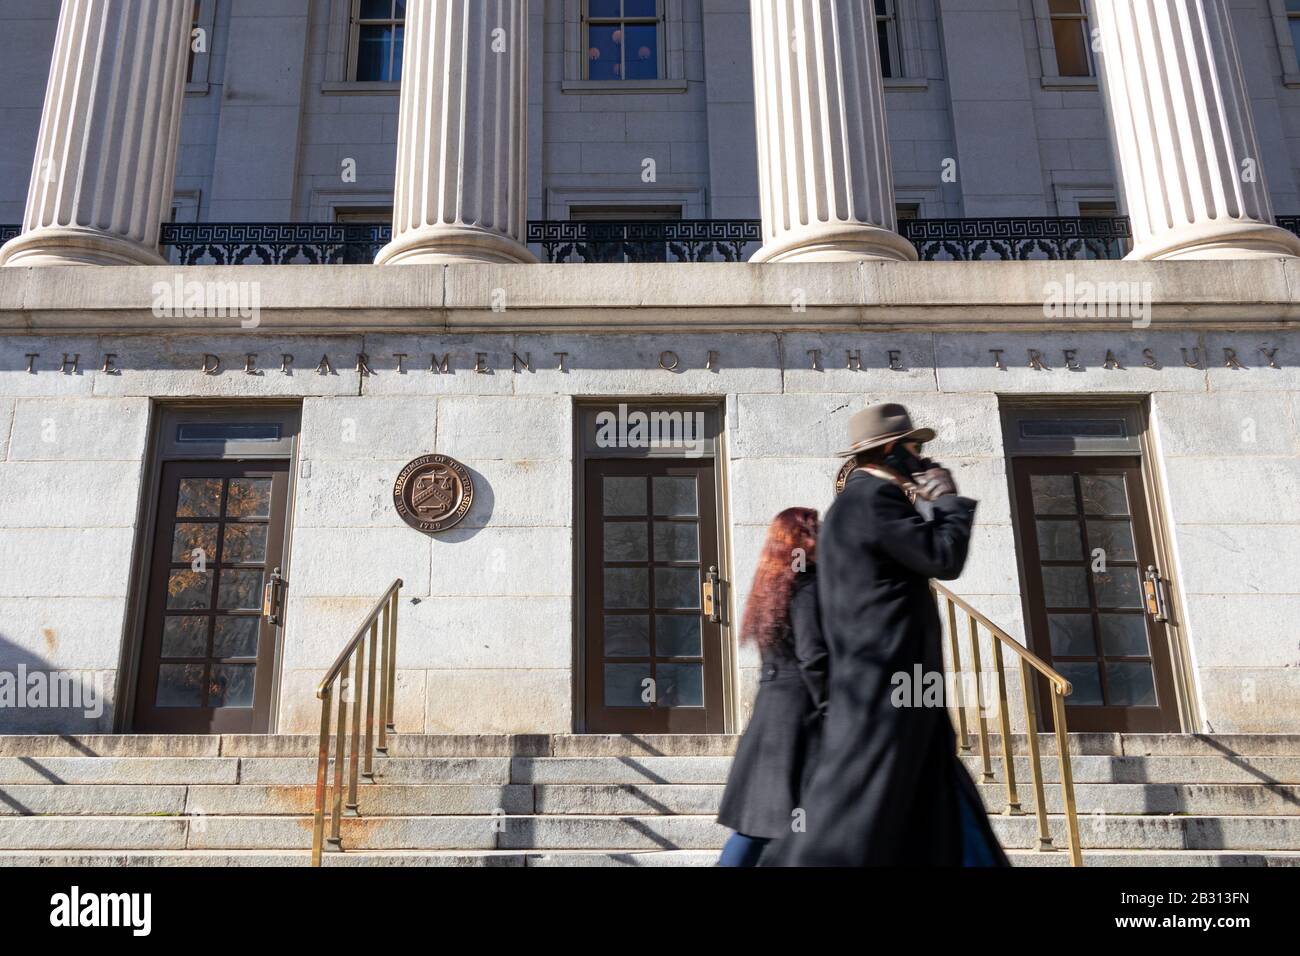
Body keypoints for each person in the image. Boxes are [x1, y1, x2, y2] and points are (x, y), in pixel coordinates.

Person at [764, 403, 1008, 867]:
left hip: (892, 689)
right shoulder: (876, 500)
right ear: (894, 449)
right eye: (917, 447)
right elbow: (942, 559)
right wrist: (948, 503)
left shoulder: (846, 508)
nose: (923, 458)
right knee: (855, 820)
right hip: (890, 687)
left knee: (932, 803)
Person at [716, 507, 828, 867]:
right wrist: (833, 707)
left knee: (760, 821)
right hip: (799, 717)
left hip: (771, 713)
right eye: (818, 530)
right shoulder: (806, 584)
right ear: (804, 538)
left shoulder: (773, 585)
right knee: (777, 821)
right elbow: (813, 657)